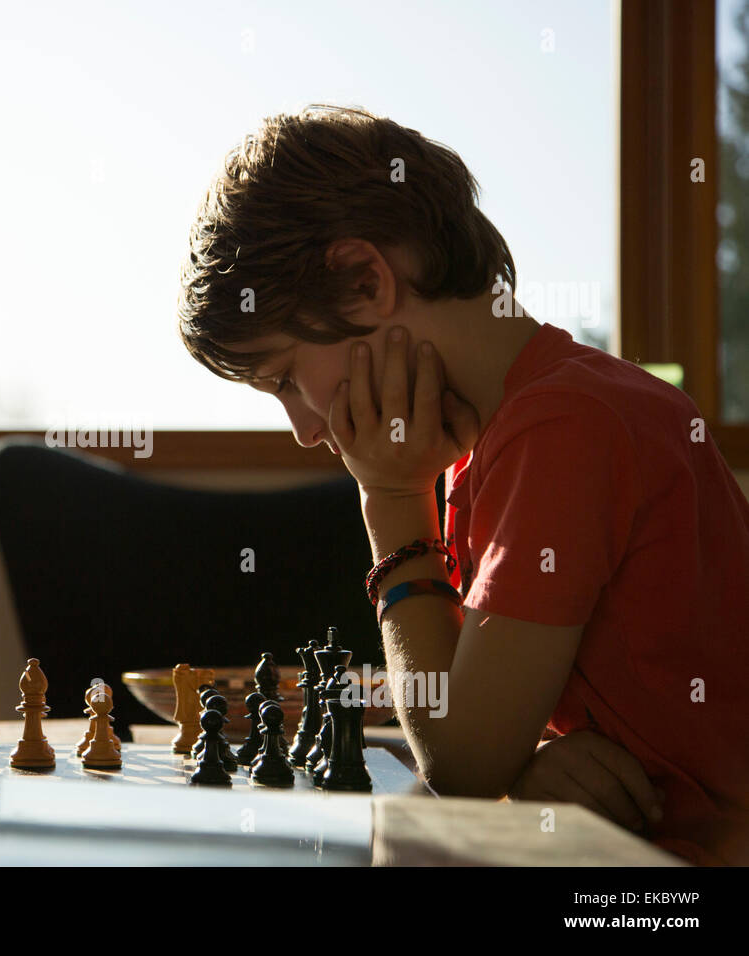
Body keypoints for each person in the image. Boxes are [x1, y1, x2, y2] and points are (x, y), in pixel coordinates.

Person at [177, 105, 749, 865]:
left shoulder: (562, 427)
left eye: (285, 378)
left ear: (365, 280)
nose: (306, 431)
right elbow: (500, 737)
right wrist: (527, 763)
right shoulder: (500, 432)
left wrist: (389, 505)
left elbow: (462, 761)